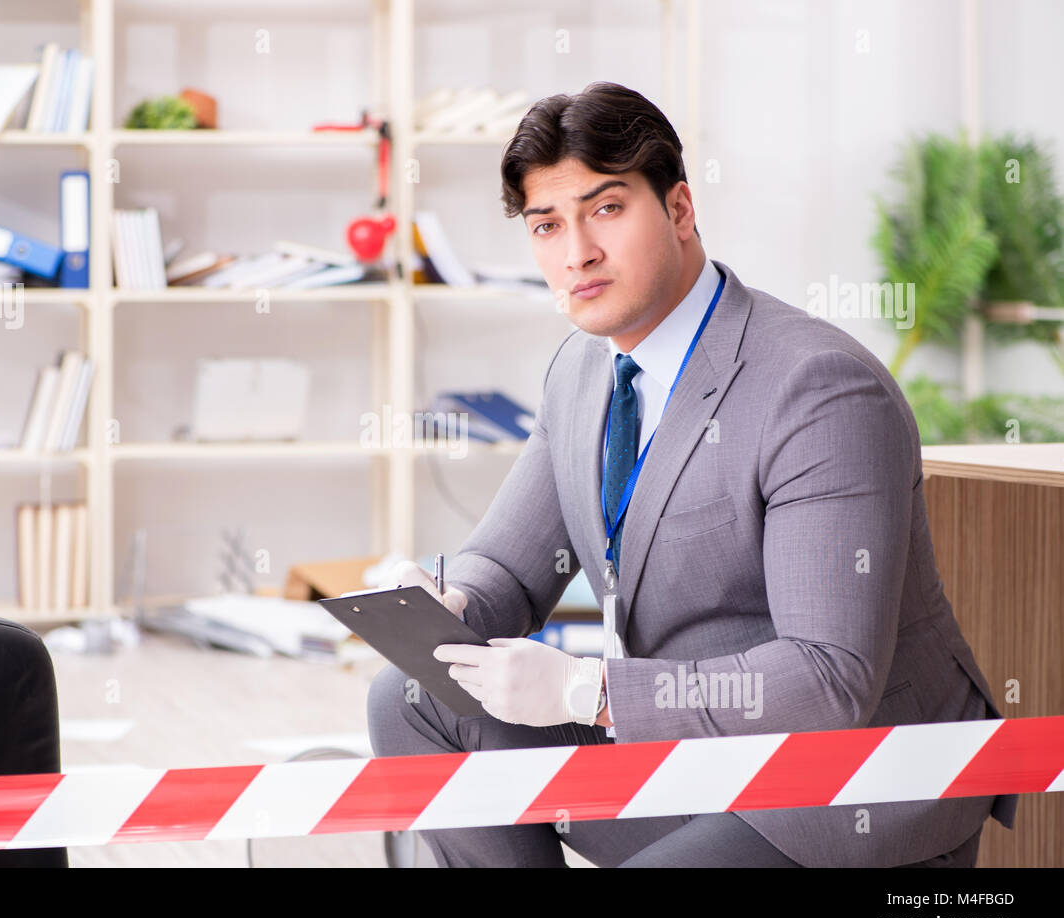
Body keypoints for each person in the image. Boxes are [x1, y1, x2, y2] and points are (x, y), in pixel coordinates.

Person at [366, 81, 1016, 868]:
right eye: (548, 225)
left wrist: (589, 692)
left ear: (678, 210)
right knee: (409, 697)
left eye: (606, 209)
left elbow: (829, 679)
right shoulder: (582, 370)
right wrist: (453, 600)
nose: (577, 253)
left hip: (842, 785)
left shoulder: (817, 387)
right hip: (681, 757)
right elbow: (508, 562)